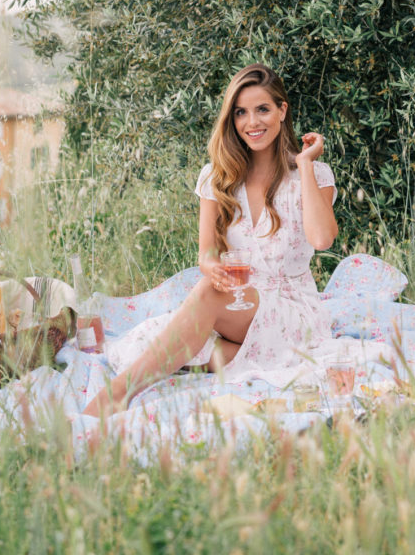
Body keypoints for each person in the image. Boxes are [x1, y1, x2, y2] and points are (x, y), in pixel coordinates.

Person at [82, 63, 339, 425]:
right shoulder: (217, 178)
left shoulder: (312, 176)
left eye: (263, 109)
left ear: (282, 111)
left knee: (203, 304)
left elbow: (322, 238)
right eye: (241, 113)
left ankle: (114, 397)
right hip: (238, 305)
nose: (252, 122)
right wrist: (213, 268)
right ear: (231, 120)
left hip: (293, 308)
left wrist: (306, 164)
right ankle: (245, 352)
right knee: (170, 339)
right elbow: (207, 254)